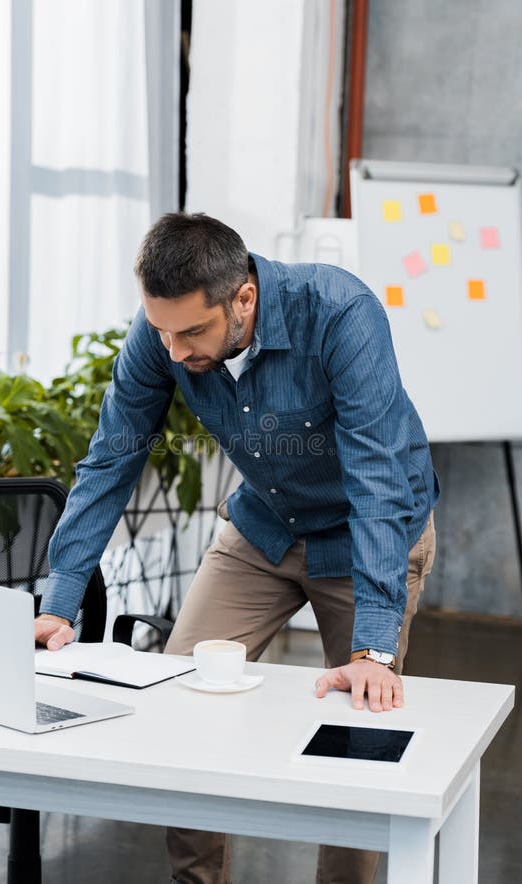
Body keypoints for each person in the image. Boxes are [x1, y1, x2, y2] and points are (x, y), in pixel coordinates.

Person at [35, 212, 439, 884]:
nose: (171, 351)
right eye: (160, 330)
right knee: (185, 703)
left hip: (369, 530)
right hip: (262, 528)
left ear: (242, 299)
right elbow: (112, 457)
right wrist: (59, 603)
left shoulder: (340, 313)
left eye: (191, 331)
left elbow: (377, 475)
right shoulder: (163, 332)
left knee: (358, 738)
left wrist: (373, 647)